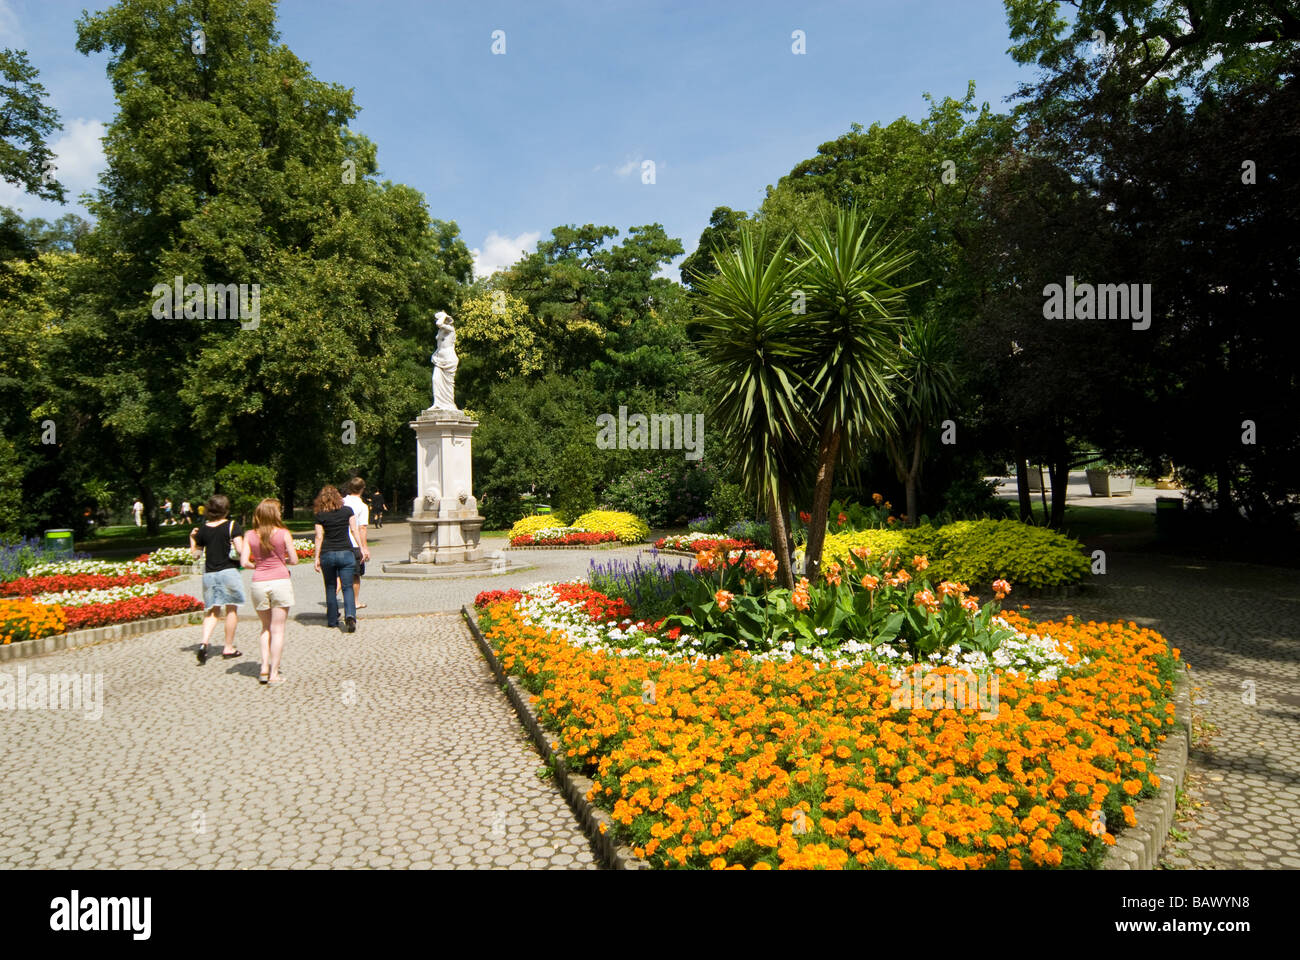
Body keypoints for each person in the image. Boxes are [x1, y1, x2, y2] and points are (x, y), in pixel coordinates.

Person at [240, 498, 297, 685]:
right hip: (280, 580)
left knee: (265, 627)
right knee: (278, 629)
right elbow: (294, 560)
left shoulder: (249, 535)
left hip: (259, 582)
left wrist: (258, 564)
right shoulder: (283, 533)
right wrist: (283, 561)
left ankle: (263, 669)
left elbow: (244, 562)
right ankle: (274, 674)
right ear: (274, 514)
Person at [189, 493, 245, 664]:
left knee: (212, 611)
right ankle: (228, 647)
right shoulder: (232, 526)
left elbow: (196, 555)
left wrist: (192, 539)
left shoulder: (203, 529)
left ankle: (204, 643)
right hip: (229, 572)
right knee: (231, 610)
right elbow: (241, 550)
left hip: (210, 574)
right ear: (226, 510)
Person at [313, 485, 367, 632]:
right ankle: (350, 616)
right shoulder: (347, 511)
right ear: (338, 497)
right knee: (347, 587)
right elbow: (354, 530)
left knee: (330, 586)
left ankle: (332, 620)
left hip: (328, 553)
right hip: (346, 552)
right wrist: (361, 548)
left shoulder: (320, 515)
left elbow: (319, 536)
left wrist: (316, 557)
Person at [341, 478, 370, 610]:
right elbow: (362, 528)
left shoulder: (341, 502)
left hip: (340, 541)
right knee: (355, 574)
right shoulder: (362, 506)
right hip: (354, 543)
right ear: (362, 489)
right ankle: (355, 601)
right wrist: (364, 547)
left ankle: (332, 600)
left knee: (340, 574)